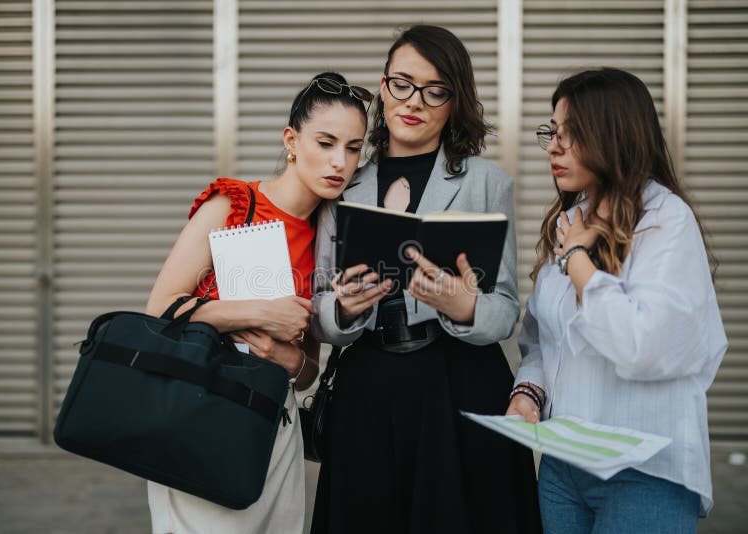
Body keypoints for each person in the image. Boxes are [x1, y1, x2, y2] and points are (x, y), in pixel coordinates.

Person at [309, 25, 542, 533]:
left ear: (455, 101)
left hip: (459, 386)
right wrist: (344, 309)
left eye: (435, 90)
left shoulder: (486, 182)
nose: (415, 101)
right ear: (383, 87)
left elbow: (506, 309)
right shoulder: (345, 184)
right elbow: (319, 309)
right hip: (368, 390)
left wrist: (466, 308)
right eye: (402, 84)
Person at [143, 71, 371, 534]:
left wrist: (287, 357)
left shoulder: (332, 235)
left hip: (275, 426)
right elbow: (160, 309)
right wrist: (258, 312)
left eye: (353, 148)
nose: (340, 162)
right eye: (326, 142)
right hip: (204, 412)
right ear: (291, 140)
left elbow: (308, 368)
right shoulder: (234, 204)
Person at [506, 67, 727, 533]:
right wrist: (528, 392)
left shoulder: (667, 221)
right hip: (563, 468)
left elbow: (641, 346)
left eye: (570, 135)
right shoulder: (571, 218)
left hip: (643, 472)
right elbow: (543, 339)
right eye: (552, 132)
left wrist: (579, 260)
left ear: (613, 136)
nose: (552, 147)